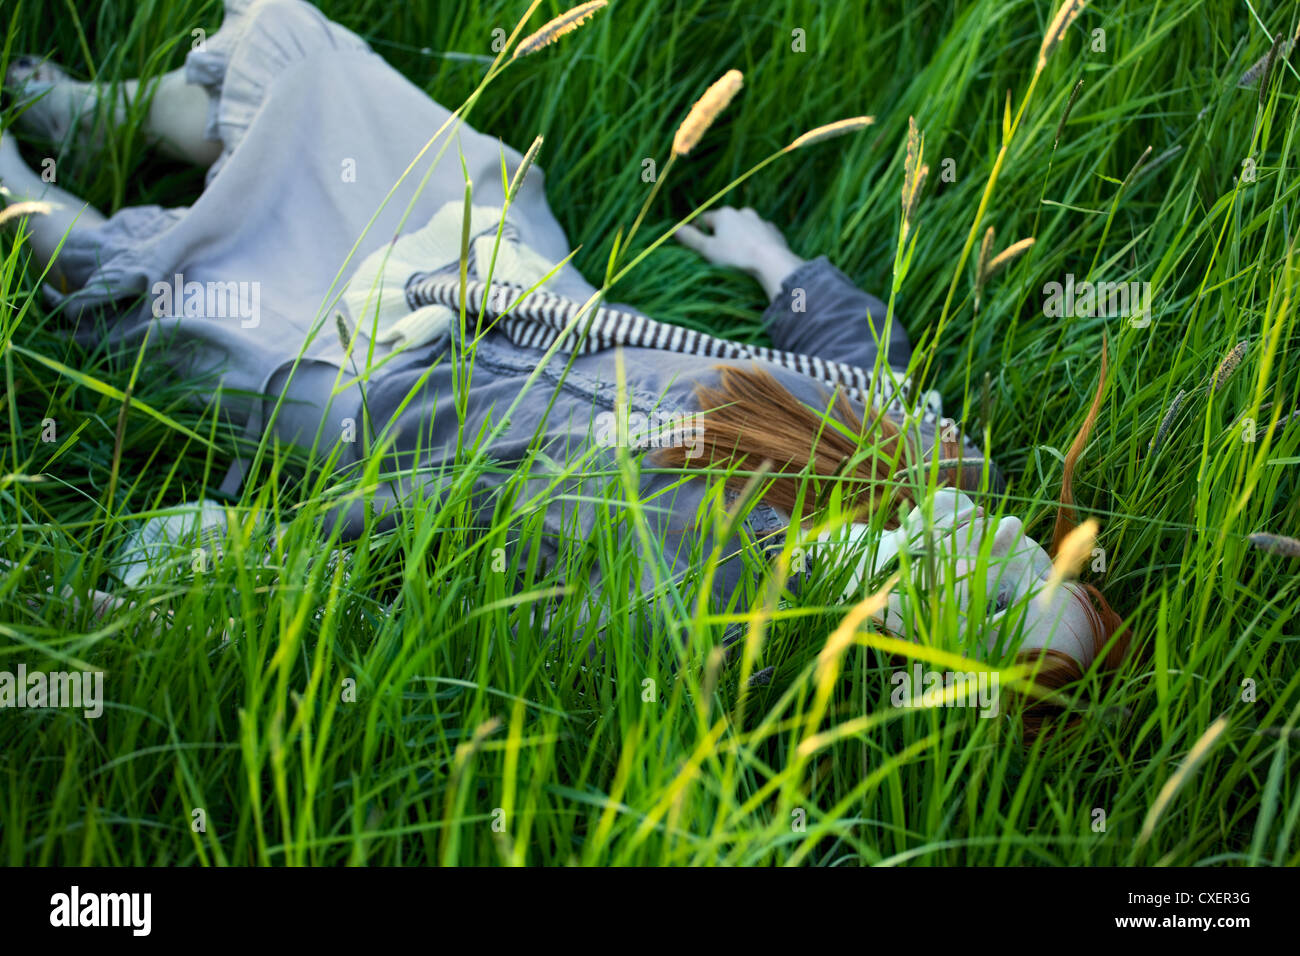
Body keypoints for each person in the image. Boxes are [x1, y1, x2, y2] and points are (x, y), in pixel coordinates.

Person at [1, 0, 1127, 735]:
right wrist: (777, 261)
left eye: (985, 596)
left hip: (386, 392)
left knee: (143, 289)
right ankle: (103, 118)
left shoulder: (712, 622)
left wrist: (262, 552)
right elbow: (861, 351)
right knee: (315, 71)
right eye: (1037, 564)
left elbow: (443, 529)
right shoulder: (916, 459)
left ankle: (21, 181)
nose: (986, 546)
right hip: (519, 292)